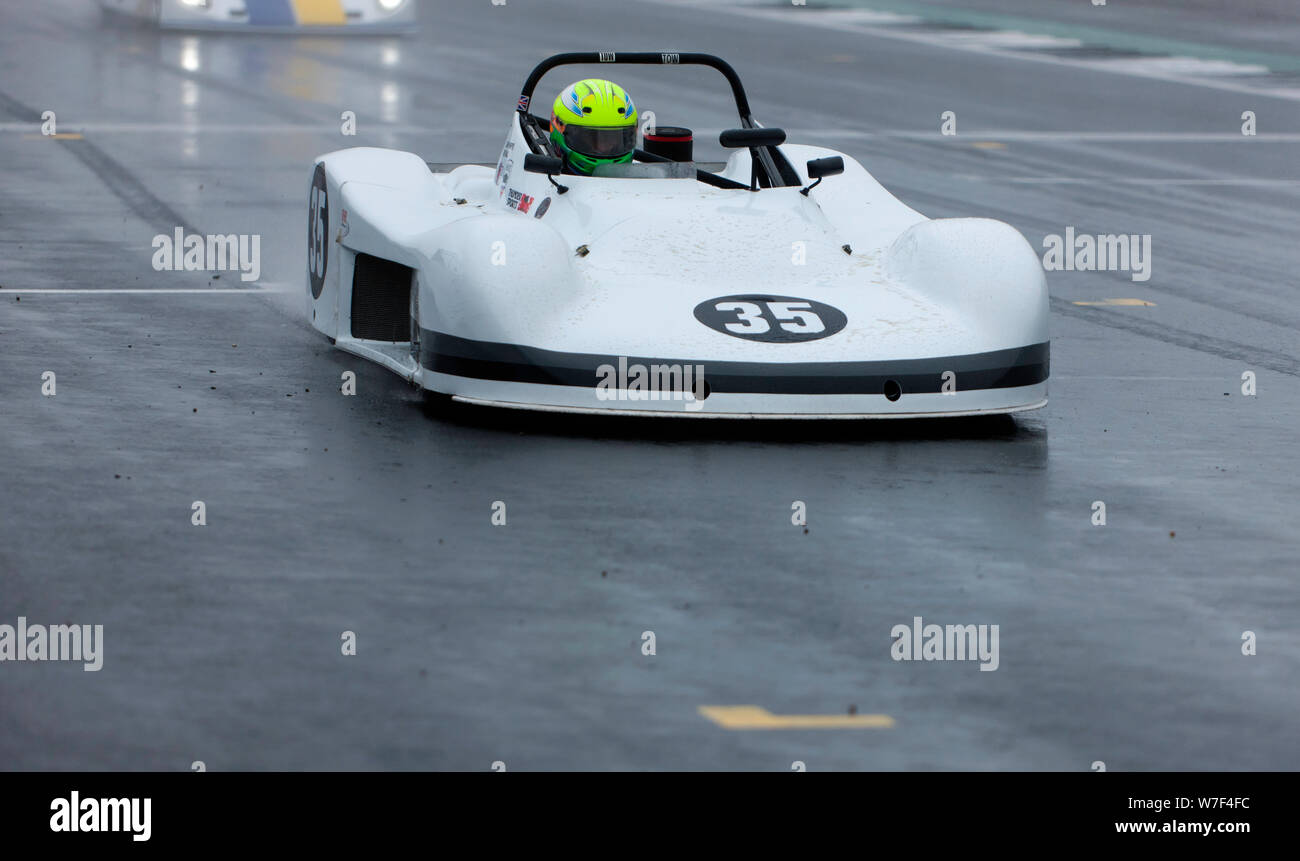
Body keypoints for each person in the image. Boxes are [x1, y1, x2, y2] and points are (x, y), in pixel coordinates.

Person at [549, 79, 638, 175]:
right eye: (590, 137)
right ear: (559, 129)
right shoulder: (536, 177)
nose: (602, 148)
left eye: (611, 139)